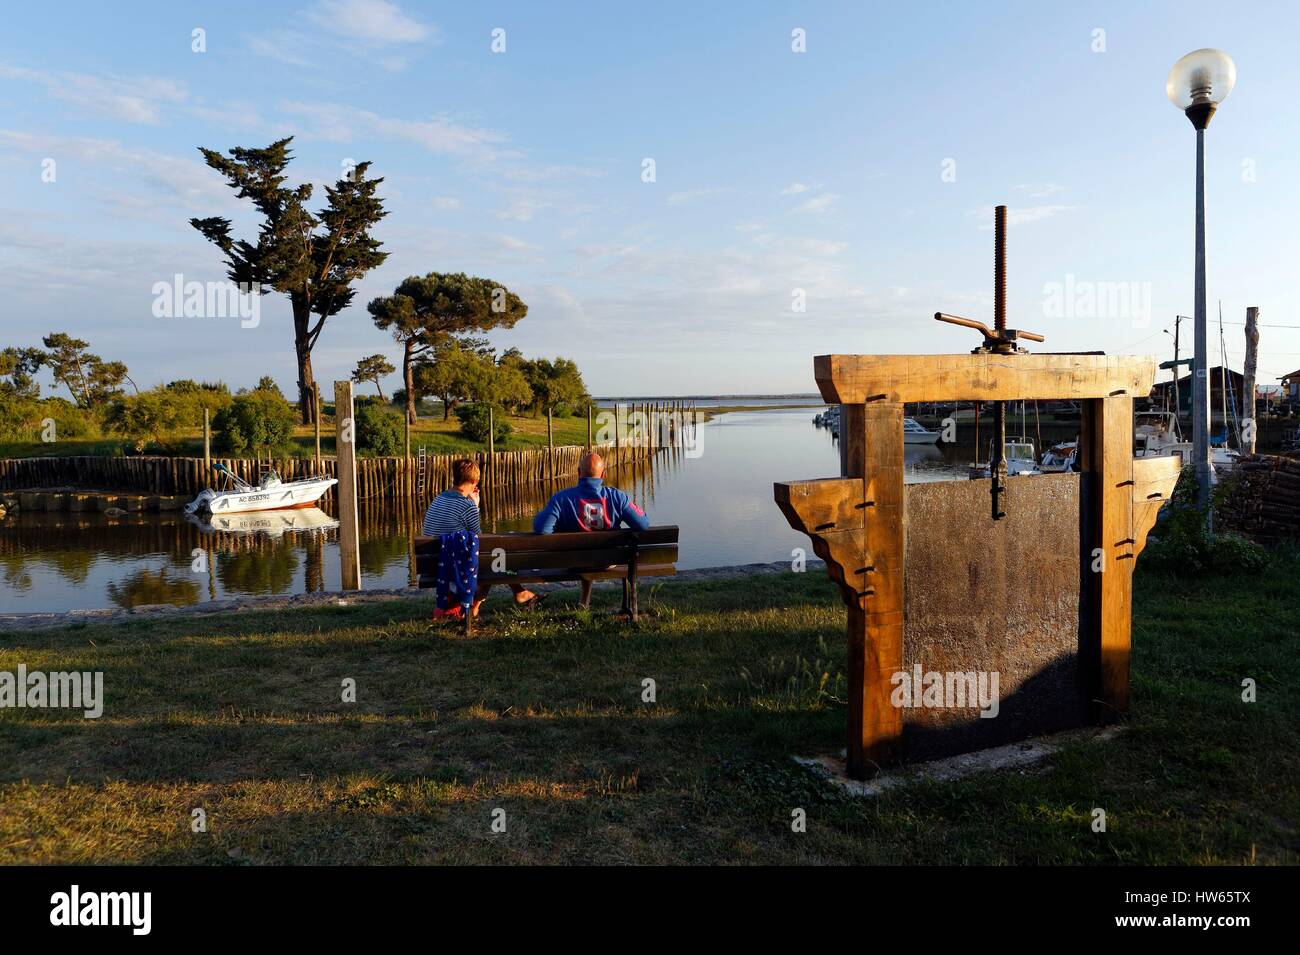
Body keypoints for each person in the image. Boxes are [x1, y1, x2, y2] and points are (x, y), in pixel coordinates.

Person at [423, 459, 540, 617]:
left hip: (434, 564)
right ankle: (483, 605)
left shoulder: (438, 499)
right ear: (473, 481)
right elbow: (479, 542)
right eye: (475, 484)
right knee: (496, 560)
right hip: (455, 566)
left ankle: (520, 592)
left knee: (495, 560)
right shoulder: (468, 506)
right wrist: (475, 506)